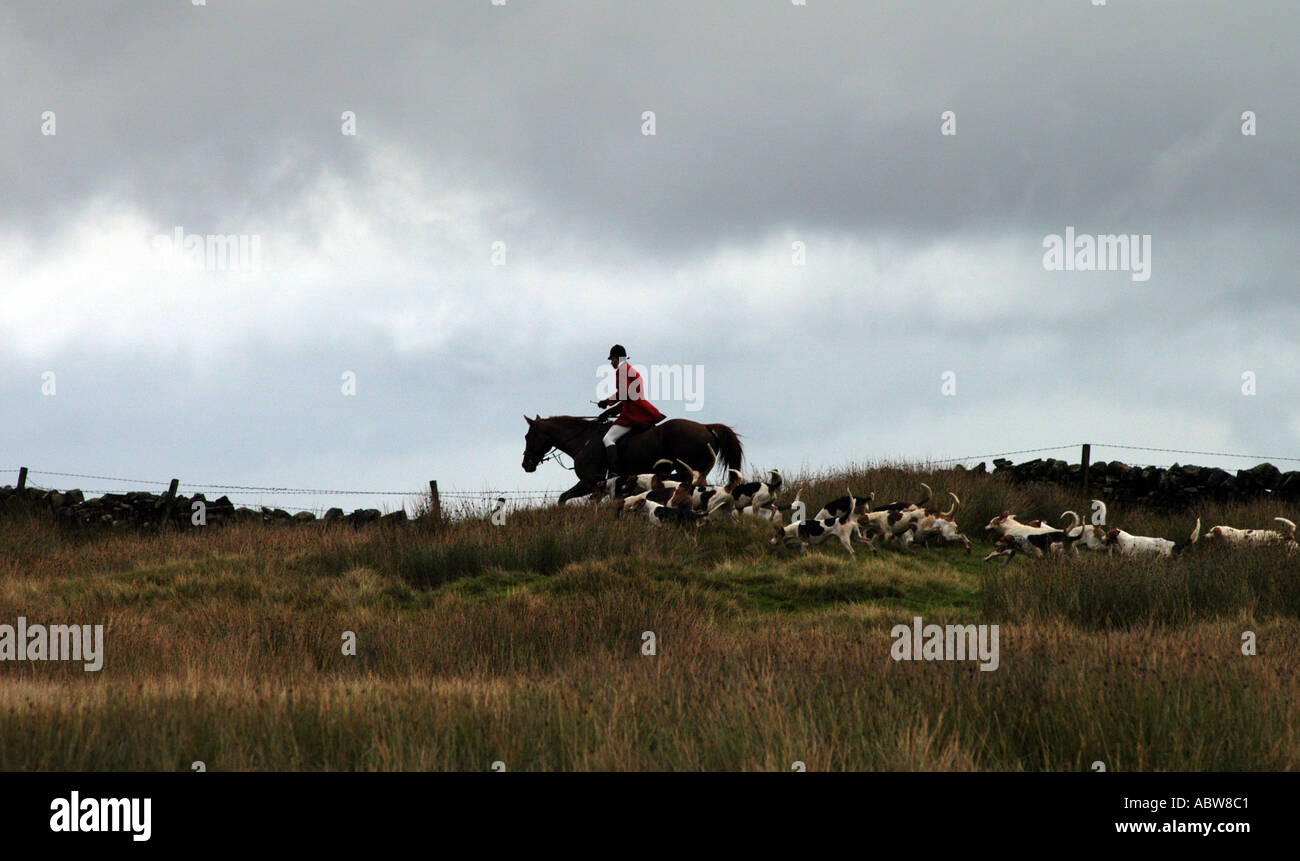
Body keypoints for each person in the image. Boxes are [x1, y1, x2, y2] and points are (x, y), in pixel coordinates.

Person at [596, 344, 665, 478]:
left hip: (633, 414)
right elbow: (628, 397)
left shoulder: (622, 370)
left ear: (616, 358)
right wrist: (610, 412)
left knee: (608, 438)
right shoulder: (631, 370)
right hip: (640, 409)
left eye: (612, 360)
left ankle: (614, 472)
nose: (611, 363)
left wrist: (607, 401)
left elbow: (624, 393)